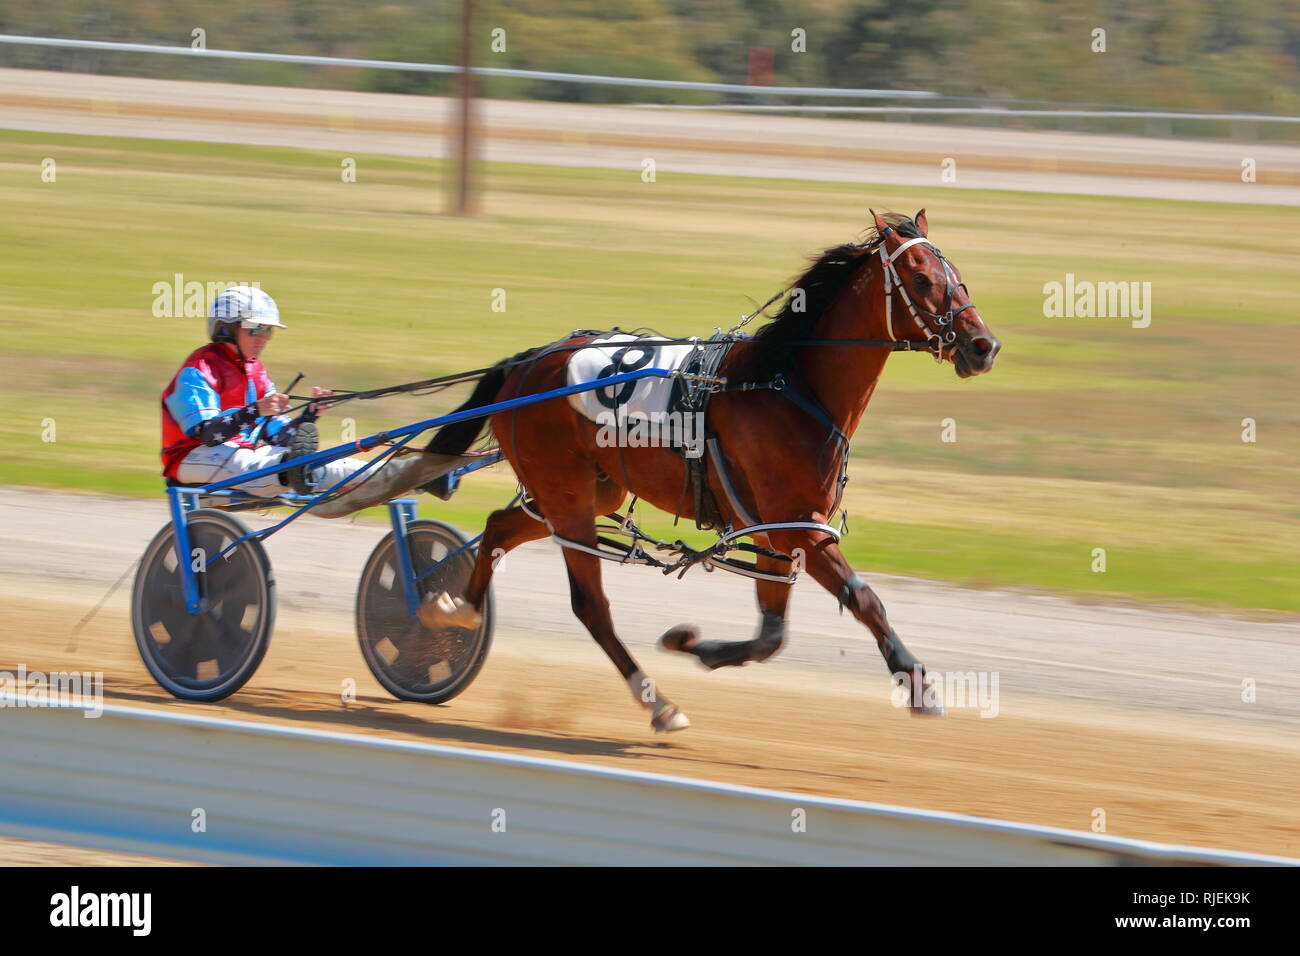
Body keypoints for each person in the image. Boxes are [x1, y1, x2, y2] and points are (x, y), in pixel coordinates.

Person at [160, 286, 472, 517]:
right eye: (255, 330)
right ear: (227, 329)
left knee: (310, 462)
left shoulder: (254, 371)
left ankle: (416, 475)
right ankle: (405, 475)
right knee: (286, 465)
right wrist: (255, 411)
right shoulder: (200, 368)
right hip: (193, 459)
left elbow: (278, 434)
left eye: (268, 331)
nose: (263, 338)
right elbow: (206, 435)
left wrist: (308, 417)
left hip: (244, 456)